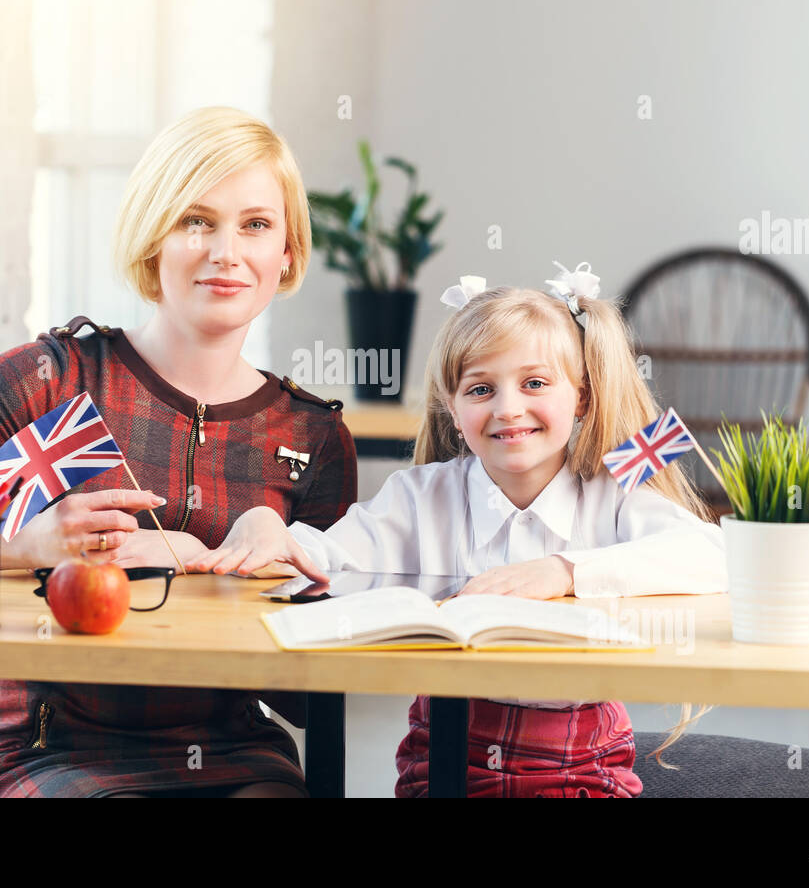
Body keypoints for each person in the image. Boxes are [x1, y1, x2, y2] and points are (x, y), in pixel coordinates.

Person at [0, 107, 357, 797]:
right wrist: (22, 547)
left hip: (236, 755)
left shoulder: (312, 436)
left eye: (255, 225)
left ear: (286, 252)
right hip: (46, 756)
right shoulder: (51, 379)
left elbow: (314, 702)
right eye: (196, 220)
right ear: (154, 237)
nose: (226, 250)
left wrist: (282, 566)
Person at [188, 266, 726, 797]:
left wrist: (562, 571)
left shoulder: (612, 491)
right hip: (445, 752)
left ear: (581, 396)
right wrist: (271, 530)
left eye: (534, 383)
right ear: (452, 405)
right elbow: (326, 557)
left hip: (581, 759)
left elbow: (711, 553)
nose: (508, 408)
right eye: (481, 389)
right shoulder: (420, 495)